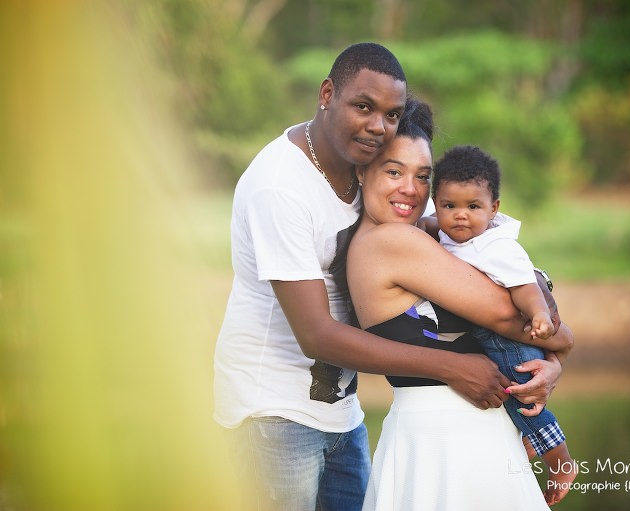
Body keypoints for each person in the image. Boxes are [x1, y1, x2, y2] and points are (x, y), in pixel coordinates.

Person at [214, 42, 563, 511]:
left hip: (341, 412)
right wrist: (454, 367)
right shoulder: (281, 187)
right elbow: (317, 335)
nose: (378, 125)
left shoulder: (368, 176)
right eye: (363, 107)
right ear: (326, 94)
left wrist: (536, 298)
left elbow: (465, 235)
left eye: (392, 114)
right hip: (274, 411)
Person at [345, 97, 574, 510]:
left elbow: (504, 269)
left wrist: (552, 357)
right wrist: (561, 348)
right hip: (449, 437)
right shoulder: (392, 240)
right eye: (393, 171)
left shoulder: (423, 232)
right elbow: (509, 313)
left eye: (422, 177)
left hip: (458, 430)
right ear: (362, 170)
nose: (411, 190)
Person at [432, 144, 577, 505]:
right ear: (435, 204)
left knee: (523, 395)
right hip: (487, 339)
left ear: (494, 208)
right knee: (513, 398)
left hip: (509, 342)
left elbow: (526, 287)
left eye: (473, 207)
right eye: (449, 206)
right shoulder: (446, 239)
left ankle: (559, 459)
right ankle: (529, 439)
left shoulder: (496, 246)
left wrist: (541, 315)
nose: (460, 216)